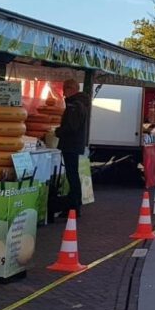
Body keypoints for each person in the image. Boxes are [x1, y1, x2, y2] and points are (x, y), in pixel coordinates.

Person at [55, 79, 90, 218]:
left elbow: (71, 127)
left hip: (71, 145)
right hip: (75, 144)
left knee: (72, 176)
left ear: (70, 89)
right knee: (73, 175)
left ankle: (73, 207)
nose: (63, 93)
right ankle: (74, 206)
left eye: (64, 89)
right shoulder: (81, 103)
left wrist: (58, 132)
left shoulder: (74, 105)